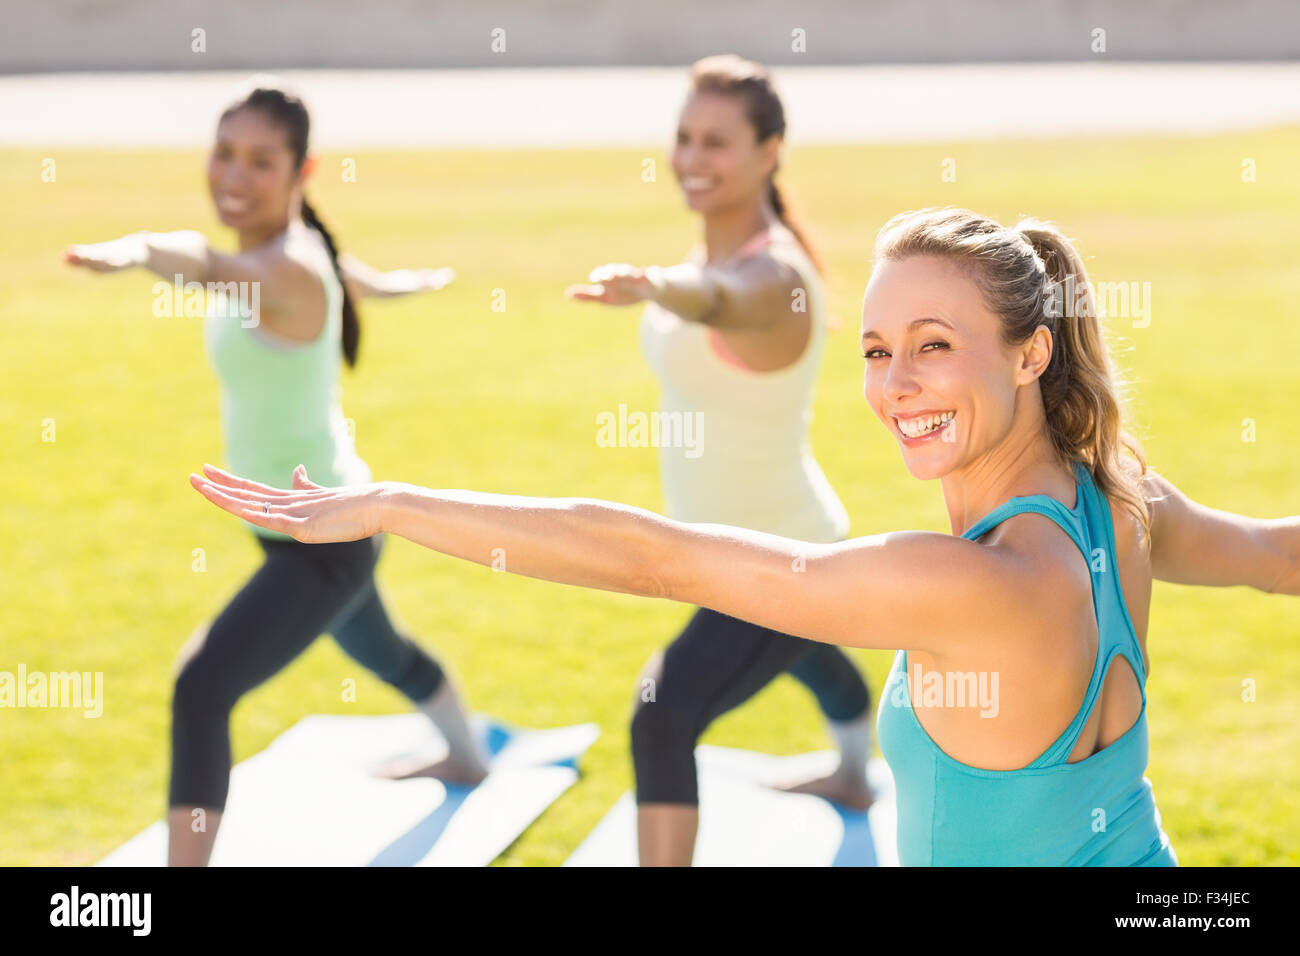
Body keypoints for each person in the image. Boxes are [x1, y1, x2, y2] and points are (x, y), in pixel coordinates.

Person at [189, 205, 1300, 866]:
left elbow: (651, 555)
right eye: (875, 350)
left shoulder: (974, 584)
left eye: (932, 345)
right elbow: (1274, 553)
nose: (895, 384)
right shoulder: (1117, 499)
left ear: (1028, 354)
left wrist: (391, 503)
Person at [65, 84, 483, 867]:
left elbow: (208, 262)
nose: (236, 175)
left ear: (303, 170)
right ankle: (468, 757)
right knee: (383, 653)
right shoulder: (298, 250)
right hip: (323, 524)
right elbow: (336, 269)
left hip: (325, 540)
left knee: (202, 686)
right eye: (225, 154)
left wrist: (139, 251)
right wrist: (396, 284)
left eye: (262, 161)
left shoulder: (274, 268)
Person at [564, 54, 875, 865]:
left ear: (770, 151)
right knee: (810, 654)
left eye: (718, 142)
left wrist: (661, 286)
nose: (693, 159)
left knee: (659, 711)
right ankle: (852, 774)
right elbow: (708, 289)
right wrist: (672, 282)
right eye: (684, 138)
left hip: (777, 557)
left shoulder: (777, 279)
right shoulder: (716, 259)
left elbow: (725, 299)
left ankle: (848, 768)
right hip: (754, 538)